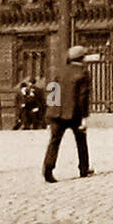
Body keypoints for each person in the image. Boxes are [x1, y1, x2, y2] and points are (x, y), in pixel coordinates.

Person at [42, 45, 93, 182]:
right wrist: (84, 117)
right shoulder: (83, 73)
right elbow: (83, 97)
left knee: (54, 141)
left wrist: (50, 114)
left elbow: (52, 92)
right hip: (74, 114)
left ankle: (48, 168)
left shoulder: (59, 72)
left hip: (56, 114)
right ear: (82, 58)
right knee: (81, 141)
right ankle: (84, 168)